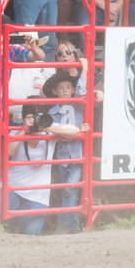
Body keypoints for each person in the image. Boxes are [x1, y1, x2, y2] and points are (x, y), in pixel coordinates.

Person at [42, 72, 88, 233]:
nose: (65, 91)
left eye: (69, 87)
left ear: (73, 90)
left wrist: (85, 71)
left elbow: (84, 92)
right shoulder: (52, 112)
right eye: (61, 88)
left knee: (70, 188)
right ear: (55, 91)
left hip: (77, 154)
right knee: (67, 190)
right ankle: (73, 226)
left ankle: (66, 226)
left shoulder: (79, 104)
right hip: (61, 155)